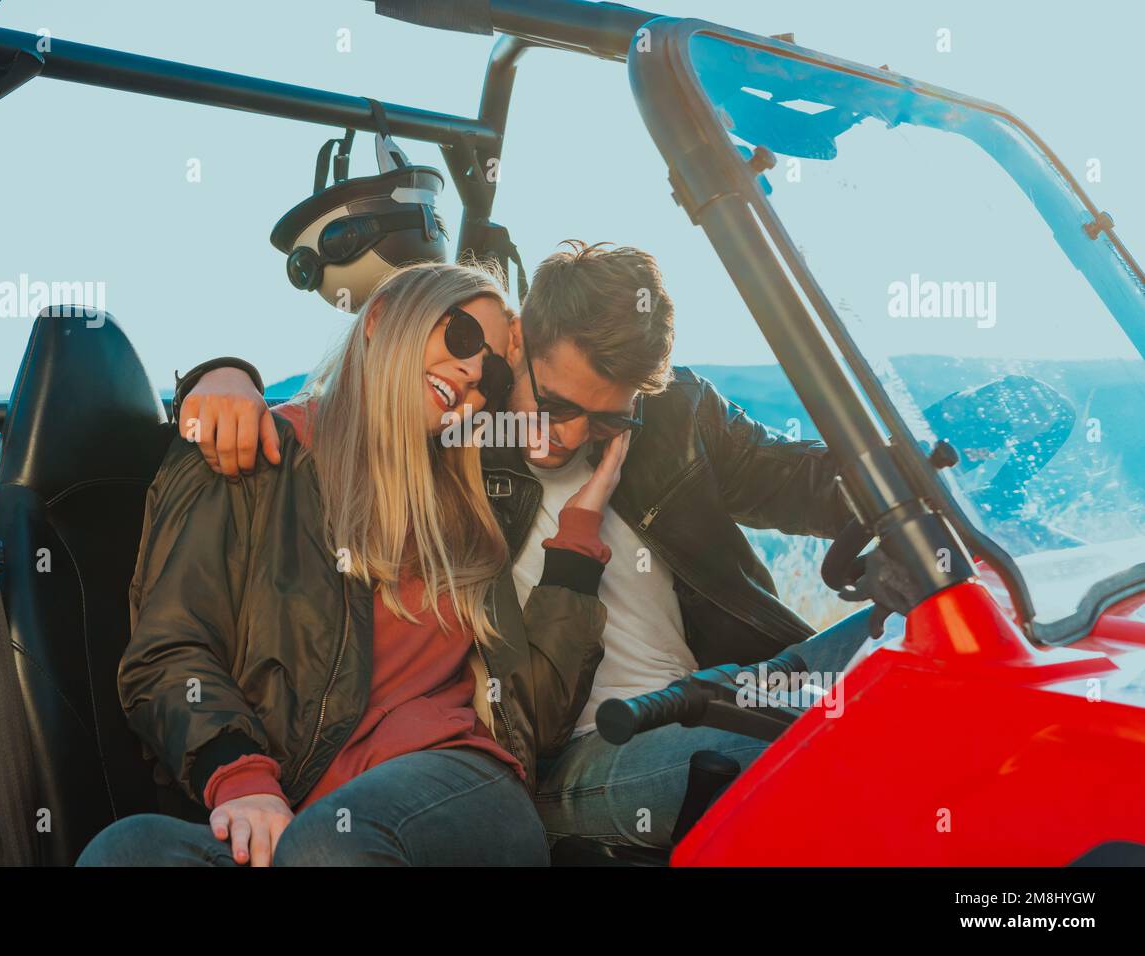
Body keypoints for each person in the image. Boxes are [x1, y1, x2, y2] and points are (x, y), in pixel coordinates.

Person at [174, 241, 872, 853]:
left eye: (606, 418)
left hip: (735, 686)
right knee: (814, 753)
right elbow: (355, 402)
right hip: (588, 744)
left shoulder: (671, 417)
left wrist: (899, 499)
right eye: (558, 406)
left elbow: (796, 477)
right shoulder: (458, 443)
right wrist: (219, 375)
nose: (569, 437)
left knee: (914, 644)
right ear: (517, 344)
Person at [78, 260, 627, 866]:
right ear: (384, 318)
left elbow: (536, 722)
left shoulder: (465, 512)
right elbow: (170, 652)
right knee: (124, 853)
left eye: (490, 376)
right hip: (296, 809)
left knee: (328, 847)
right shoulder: (254, 455)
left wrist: (579, 537)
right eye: (462, 338)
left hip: (457, 785)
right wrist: (243, 780)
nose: (473, 372)